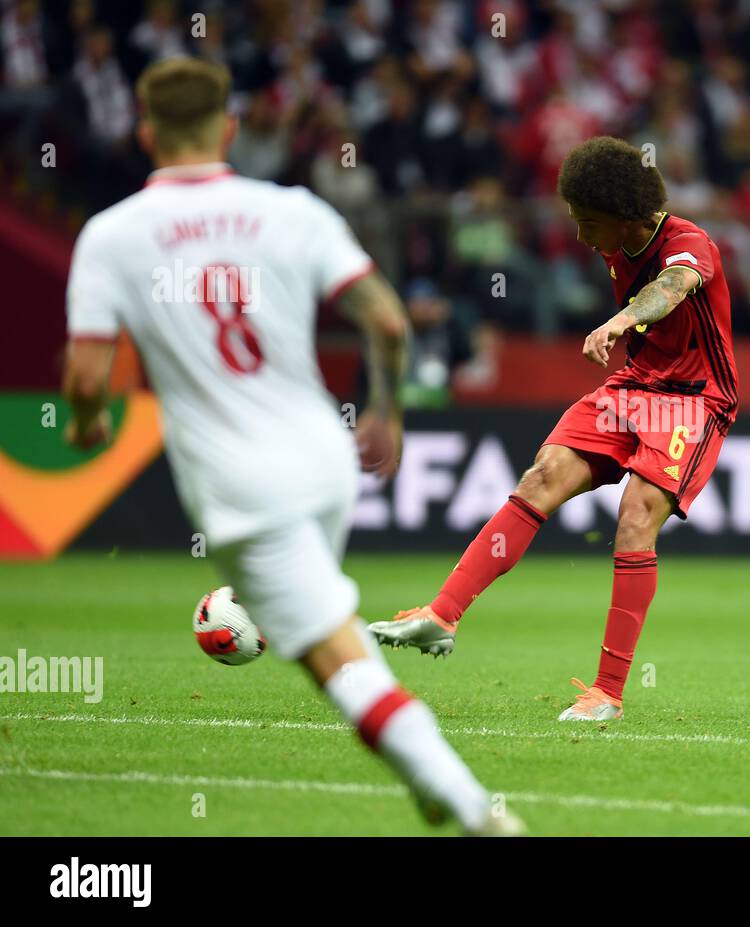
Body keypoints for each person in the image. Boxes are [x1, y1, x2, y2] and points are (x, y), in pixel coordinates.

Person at [62, 56, 520, 836]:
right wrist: (386, 412)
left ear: (145, 133)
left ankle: (466, 801)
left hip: (245, 486)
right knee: (323, 631)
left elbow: (85, 373)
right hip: (324, 456)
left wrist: (86, 425)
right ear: (230, 129)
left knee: (339, 665)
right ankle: (428, 772)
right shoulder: (293, 210)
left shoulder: (111, 236)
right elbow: (386, 319)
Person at [370, 136, 739, 722]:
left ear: (625, 216)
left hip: (696, 398)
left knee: (637, 515)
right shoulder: (616, 241)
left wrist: (620, 319)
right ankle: (442, 616)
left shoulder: (689, 244)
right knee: (543, 474)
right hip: (635, 386)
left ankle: (607, 693)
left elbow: (672, 288)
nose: (579, 235)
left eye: (588, 222)